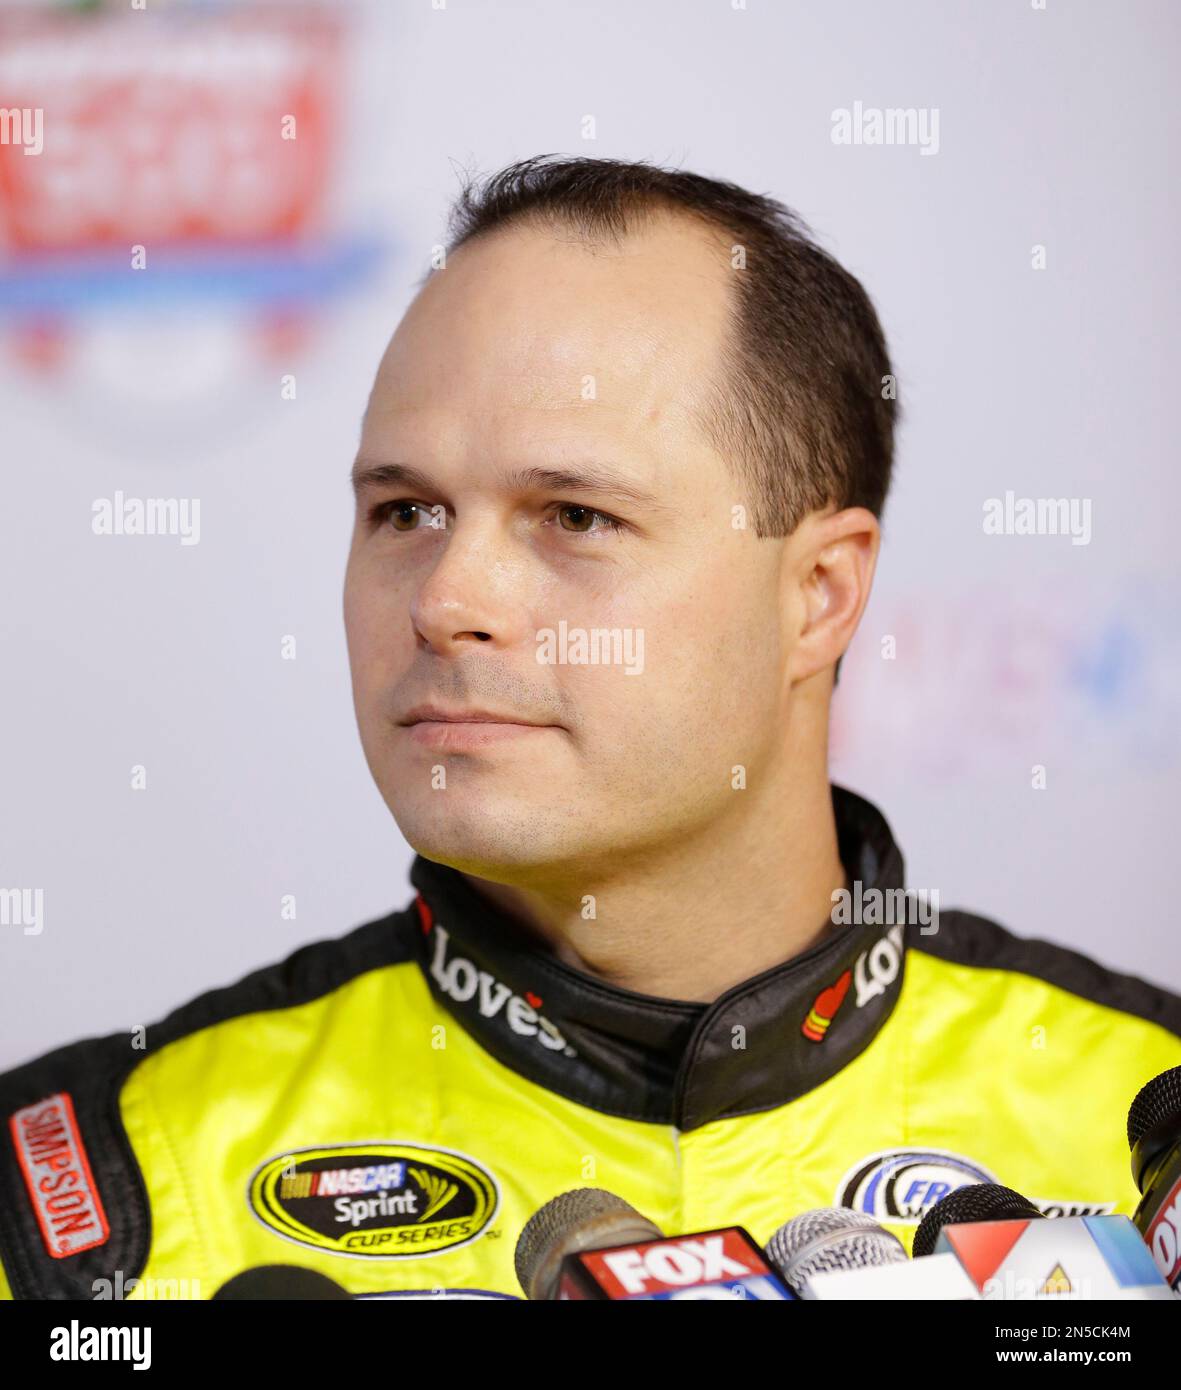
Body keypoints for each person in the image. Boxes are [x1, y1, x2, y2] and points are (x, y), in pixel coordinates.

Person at [2, 157, 1177, 1300]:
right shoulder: (100, 1208)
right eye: (404, 510)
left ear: (816, 594)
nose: (445, 600)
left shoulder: (1144, 1116)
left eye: (574, 515)